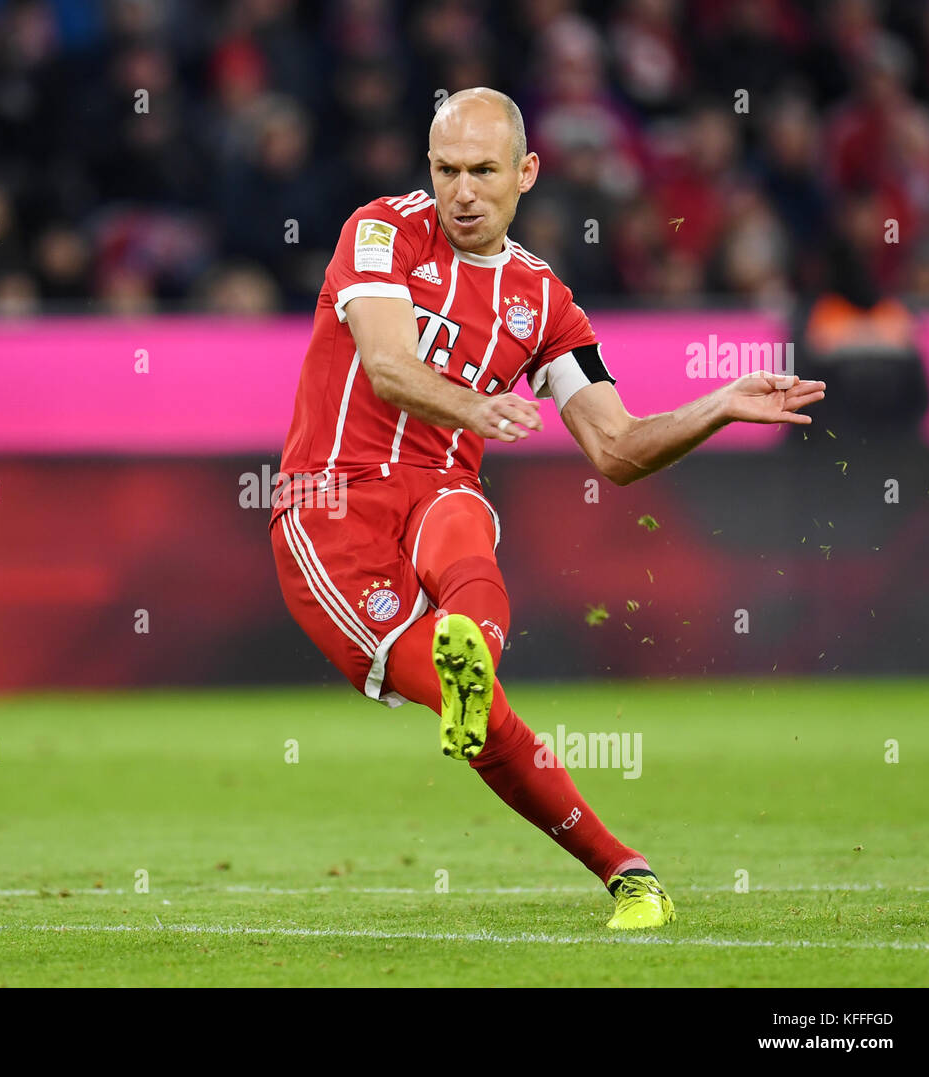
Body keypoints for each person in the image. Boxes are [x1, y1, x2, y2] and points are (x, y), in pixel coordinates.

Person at [268, 88, 826, 929]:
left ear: (525, 173)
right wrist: (475, 408)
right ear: (429, 169)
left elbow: (617, 447)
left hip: (439, 488)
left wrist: (715, 406)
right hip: (332, 506)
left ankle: (473, 651)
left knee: (465, 522)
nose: (462, 191)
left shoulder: (544, 301)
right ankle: (622, 866)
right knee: (484, 715)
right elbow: (384, 364)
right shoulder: (380, 231)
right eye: (448, 169)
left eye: (483, 171)